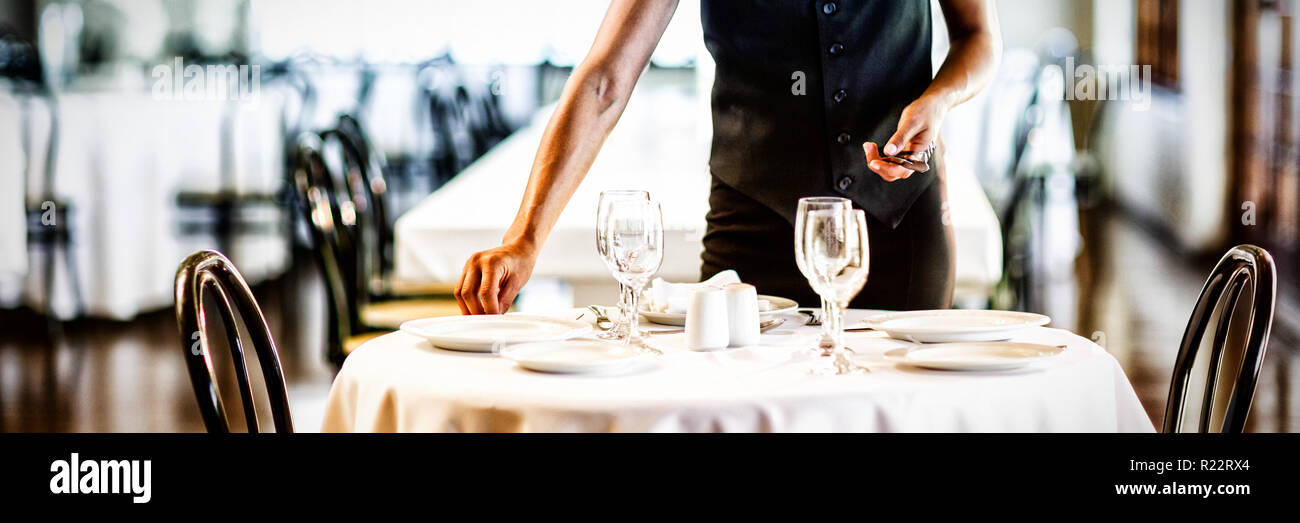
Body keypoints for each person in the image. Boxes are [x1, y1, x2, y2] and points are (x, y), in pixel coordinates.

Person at [454, 0, 1001, 315]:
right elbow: (604, 79)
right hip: (754, 222)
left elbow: (979, 36)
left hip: (898, 224)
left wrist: (940, 98)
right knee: (731, 402)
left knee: (897, 408)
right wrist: (525, 239)